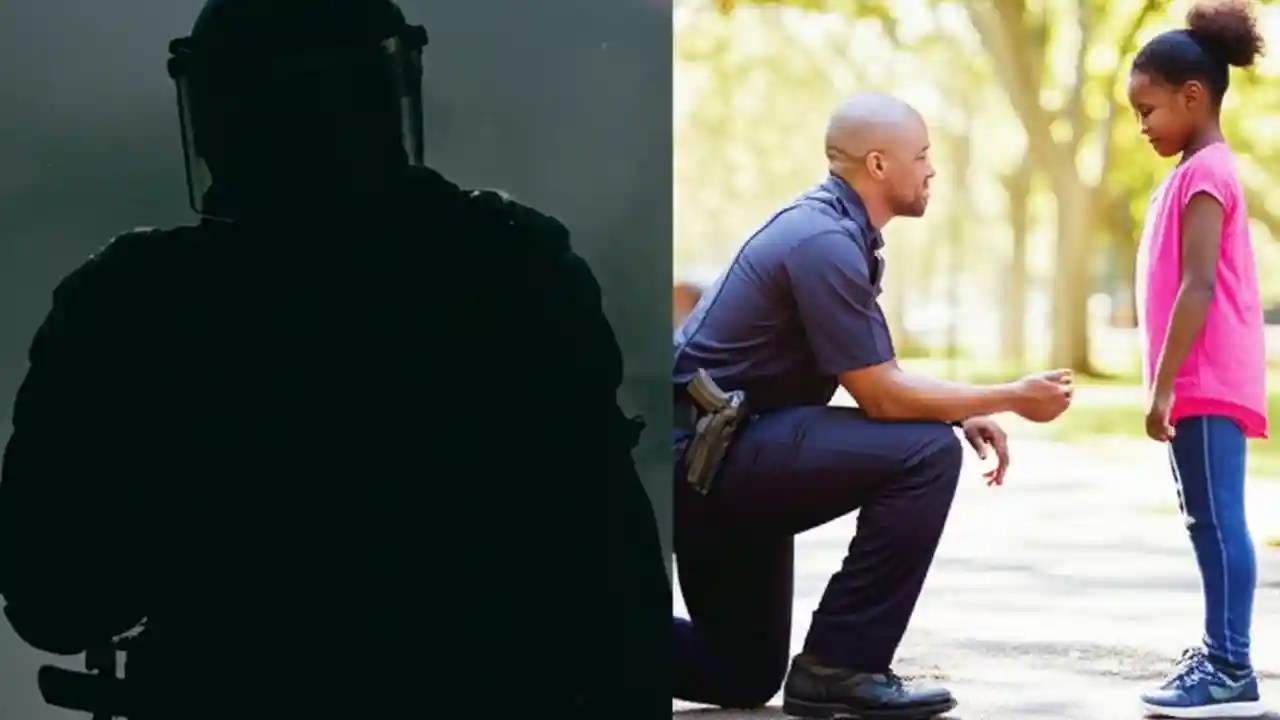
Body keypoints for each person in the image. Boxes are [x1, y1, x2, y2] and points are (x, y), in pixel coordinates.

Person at [0, 1, 668, 718]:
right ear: (389, 95)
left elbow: (54, 601)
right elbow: (614, 574)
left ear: (217, 116)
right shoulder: (517, 264)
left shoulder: (128, 304)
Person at [670, 91, 1075, 719]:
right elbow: (882, 397)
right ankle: (843, 663)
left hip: (731, 456)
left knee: (741, 672)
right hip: (709, 463)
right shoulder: (821, 242)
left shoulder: (836, 232)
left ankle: (570, 638)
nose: (932, 170)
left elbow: (874, 370)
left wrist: (961, 407)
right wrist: (1012, 397)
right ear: (879, 165)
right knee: (926, 454)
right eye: (922, 156)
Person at [1127, 1, 1269, 717]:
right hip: (1201, 380)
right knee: (1205, 517)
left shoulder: (1209, 170)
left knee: (1217, 519)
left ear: (1193, 97)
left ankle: (1229, 666)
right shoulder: (1191, 169)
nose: (1143, 125)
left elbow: (1200, 283)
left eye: (1149, 109)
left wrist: (1162, 389)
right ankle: (1219, 652)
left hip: (1206, 379)